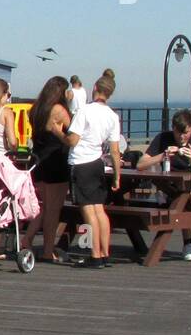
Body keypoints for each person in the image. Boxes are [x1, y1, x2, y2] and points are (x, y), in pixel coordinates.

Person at [65, 70, 122, 269]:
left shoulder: (85, 111)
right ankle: (105, 253)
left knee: (88, 212)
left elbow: (73, 139)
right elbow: (115, 151)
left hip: (81, 163)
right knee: (100, 210)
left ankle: (94, 254)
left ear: (95, 89)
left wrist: (60, 133)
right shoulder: (112, 116)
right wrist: (117, 176)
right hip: (98, 164)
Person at [138, 108, 191, 262]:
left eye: (186, 133)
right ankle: (188, 244)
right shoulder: (163, 138)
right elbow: (141, 164)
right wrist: (162, 156)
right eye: (178, 133)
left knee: (183, 198)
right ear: (173, 129)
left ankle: (187, 243)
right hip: (165, 185)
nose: (182, 137)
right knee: (180, 199)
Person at [25, 76, 73, 262]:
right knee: (53, 210)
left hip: (38, 161)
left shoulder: (36, 109)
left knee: (42, 207)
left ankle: (27, 239)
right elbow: (72, 133)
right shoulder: (59, 110)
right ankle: (47, 250)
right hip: (56, 162)